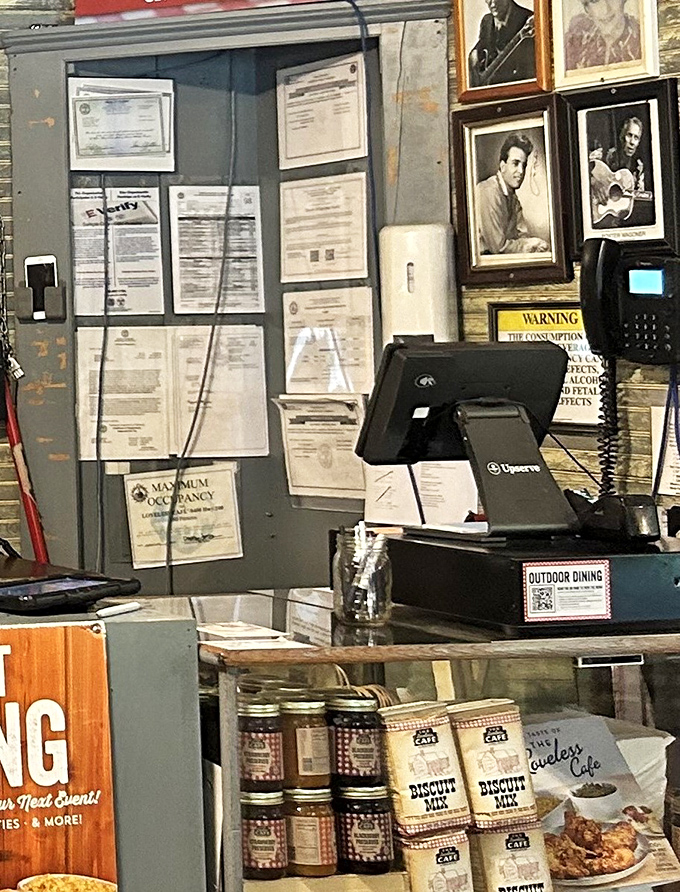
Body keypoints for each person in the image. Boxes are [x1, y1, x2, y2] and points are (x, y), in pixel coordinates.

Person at [476, 132, 550, 255]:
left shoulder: (513, 199)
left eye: (524, 165)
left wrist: (533, 245)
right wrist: (531, 244)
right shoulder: (488, 191)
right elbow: (498, 247)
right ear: (502, 166)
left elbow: (523, 235)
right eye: (515, 163)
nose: (521, 171)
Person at [468, 0, 535, 87]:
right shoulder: (487, 21)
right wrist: (474, 55)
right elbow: (482, 47)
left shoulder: (525, 18)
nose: (492, 4)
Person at [564, 0, 641, 71]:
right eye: (595, 1)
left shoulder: (644, 39)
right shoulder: (576, 40)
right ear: (587, 9)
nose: (606, 10)